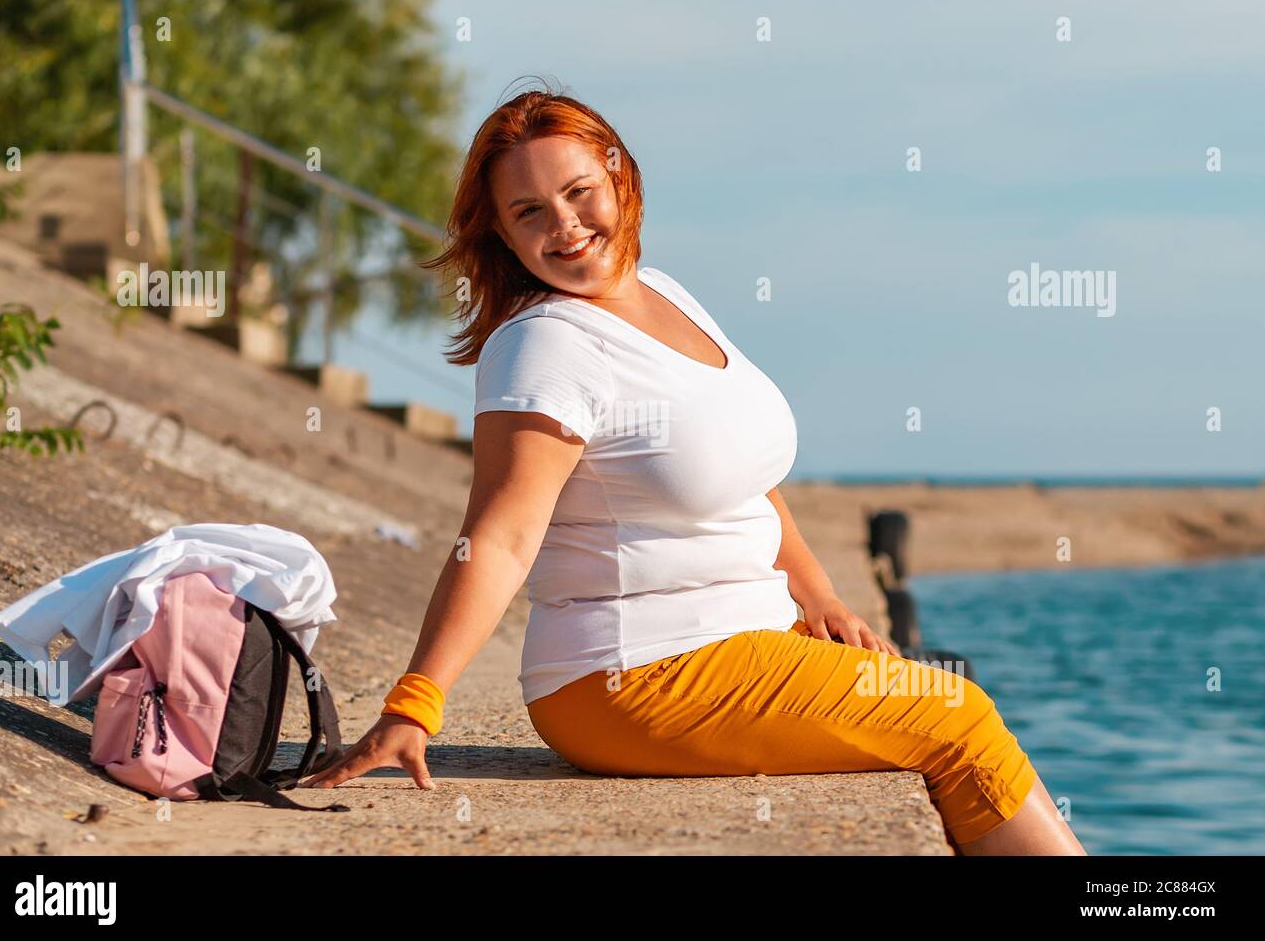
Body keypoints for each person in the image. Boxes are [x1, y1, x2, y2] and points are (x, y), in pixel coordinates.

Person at [304, 82, 1086, 856]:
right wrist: (415, 704)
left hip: (744, 637)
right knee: (955, 719)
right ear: (502, 236)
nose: (566, 227)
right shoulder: (544, 345)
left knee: (944, 713)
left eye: (579, 193)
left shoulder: (663, 293)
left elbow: (741, 474)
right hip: (629, 674)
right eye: (529, 212)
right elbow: (501, 537)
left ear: (622, 179)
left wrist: (819, 596)